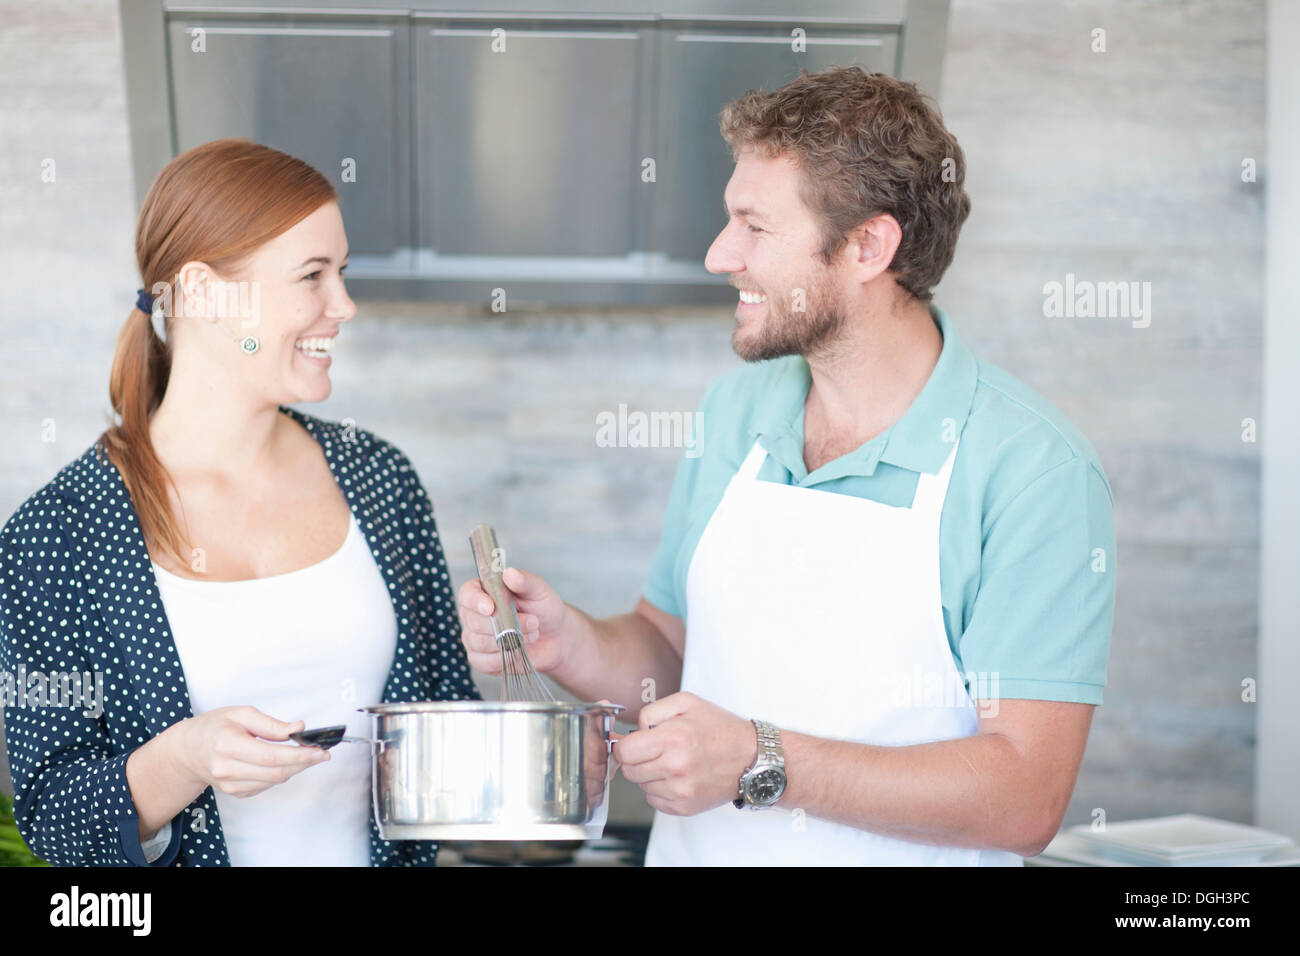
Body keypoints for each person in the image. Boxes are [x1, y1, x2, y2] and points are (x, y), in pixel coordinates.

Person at [458, 67, 1116, 866]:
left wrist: (758, 761)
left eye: (754, 227)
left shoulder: (1032, 471)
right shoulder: (736, 412)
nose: (717, 255)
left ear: (868, 246)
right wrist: (568, 644)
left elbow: (1023, 796)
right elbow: (669, 655)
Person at [0, 138, 479, 866]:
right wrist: (183, 759)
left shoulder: (380, 479)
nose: (343, 305)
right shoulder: (57, 535)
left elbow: (450, 727)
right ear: (201, 292)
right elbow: (51, 816)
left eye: (341, 273)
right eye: (312, 275)